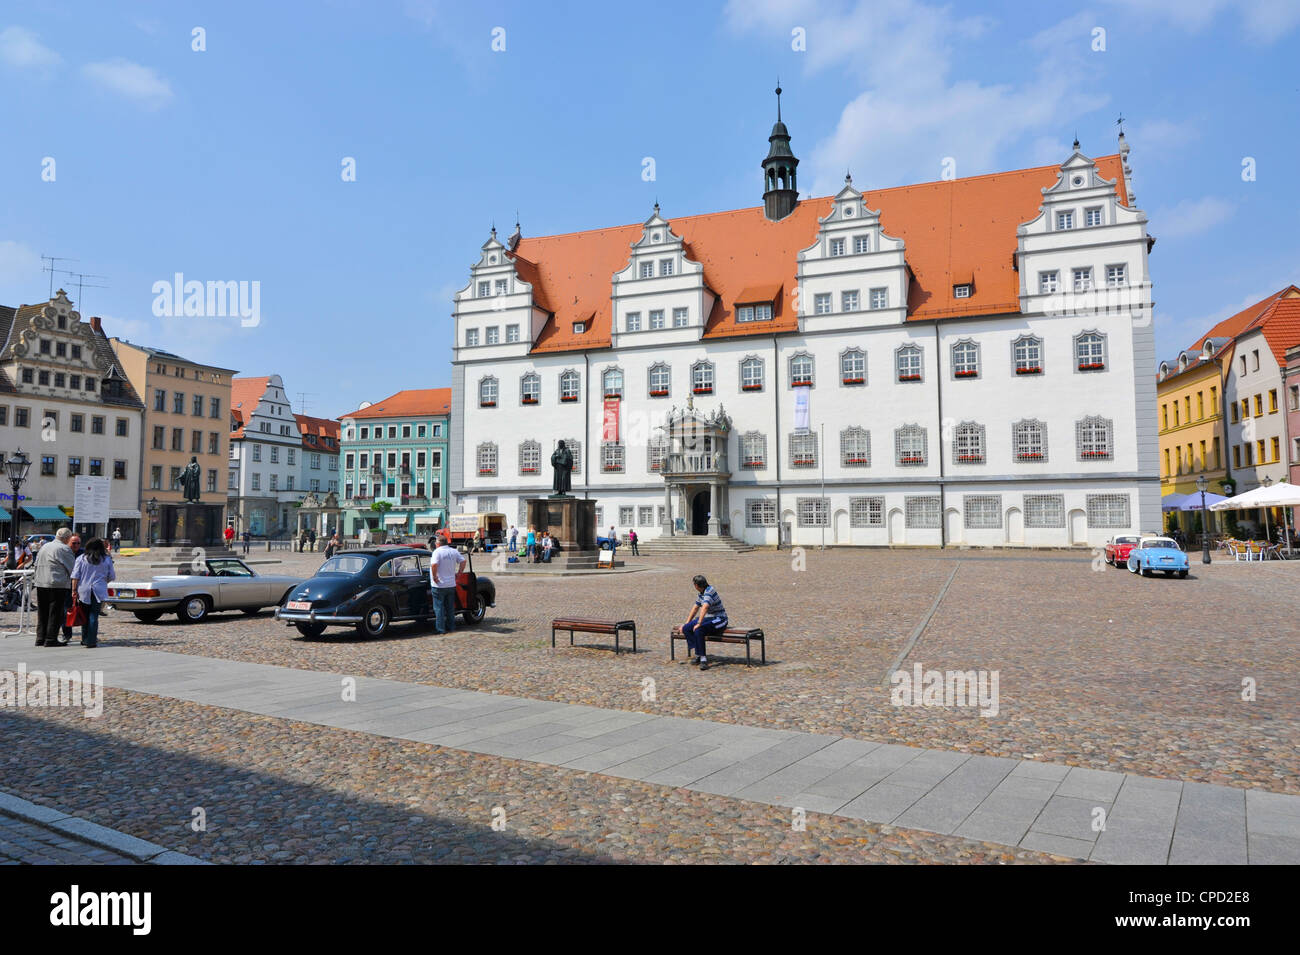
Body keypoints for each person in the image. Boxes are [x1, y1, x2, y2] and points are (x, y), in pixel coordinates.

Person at [33, 529, 76, 648]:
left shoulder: (45, 546)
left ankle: (40, 637)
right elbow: (73, 569)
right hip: (57, 583)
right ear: (67, 538)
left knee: (43, 612)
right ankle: (51, 638)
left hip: (41, 582)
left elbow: (35, 563)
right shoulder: (64, 549)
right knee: (55, 613)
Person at [70, 537, 115, 648]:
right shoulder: (106, 559)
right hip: (99, 590)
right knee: (94, 615)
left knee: (84, 615)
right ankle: (91, 640)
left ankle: (85, 639)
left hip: (83, 590)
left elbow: (75, 576)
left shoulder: (81, 558)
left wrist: (74, 590)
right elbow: (112, 576)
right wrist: (103, 582)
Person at [680, 574, 728, 671]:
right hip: (708, 618)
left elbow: (705, 607)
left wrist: (699, 623)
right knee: (686, 628)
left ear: (697, 585)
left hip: (720, 618)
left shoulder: (709, 591)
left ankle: (703, 659)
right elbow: (695, 608)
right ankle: (698, 652)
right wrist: (686, 623)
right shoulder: (701, 593)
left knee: (699, 629)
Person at [429, 531, 466, 635]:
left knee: (439, 608)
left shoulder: (437, 552)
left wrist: (435, 576)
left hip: (439, 584)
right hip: (451, 584)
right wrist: (459, 573)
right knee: (450, 607)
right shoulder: (453, 551)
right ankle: (452, 626)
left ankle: (441, 629)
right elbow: (463, 561)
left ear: (438, 543)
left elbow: (434, 565)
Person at [60, 535, 84, 644]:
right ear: (68, 543)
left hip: (82, 586)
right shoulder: (64, 552)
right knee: (66, 611)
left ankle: (87, 635)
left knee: (84, 611)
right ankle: (67, 634)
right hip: (66, 586)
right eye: (74, 543)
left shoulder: (83, 554)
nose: (76, 545)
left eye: (78, 543)